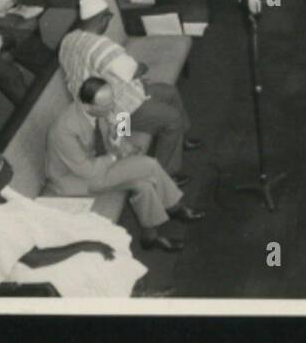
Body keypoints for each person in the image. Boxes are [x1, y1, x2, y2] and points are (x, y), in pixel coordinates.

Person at [0, 147, 150, 297]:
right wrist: (84, 246)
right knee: (92, 260)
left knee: (98, 229)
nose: (10, 165)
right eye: (5, 166)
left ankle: (130, 288)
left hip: (17, 248)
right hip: (16, 272)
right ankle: (130, 299)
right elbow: (35, 260)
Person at [46, 78, 203, 253]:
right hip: (78, 179)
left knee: (143, 185)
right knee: (149, 166)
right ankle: (175, 207)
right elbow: (87, 171)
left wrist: (123, 143)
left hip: (99, 162)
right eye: (107, 104)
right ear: (88, 106)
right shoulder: (65, 131)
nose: (113, 105)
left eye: (112, 99)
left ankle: (149, 237)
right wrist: (115, 156)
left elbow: (117, 122)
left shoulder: (98, 110)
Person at [58, 0, 199, 177]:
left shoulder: (69, 39)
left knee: (168, 92)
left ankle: (180, 139)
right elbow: (134, 71)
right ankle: (164, 176)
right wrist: (142, 67)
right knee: (171, 119)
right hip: (112, 115)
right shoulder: (101, 45)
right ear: (104, 19)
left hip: (97, 99)